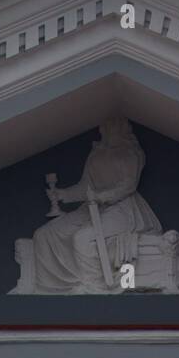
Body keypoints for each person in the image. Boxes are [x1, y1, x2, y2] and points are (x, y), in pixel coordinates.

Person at [27, 119, 161, 293]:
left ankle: (95, 286)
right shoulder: (96, 154)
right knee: (44, 234)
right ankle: (49, 289)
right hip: (91, 207)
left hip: (122, 209)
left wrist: (101, 196)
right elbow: (85, 187)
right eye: (106, 127)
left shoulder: (130, 153)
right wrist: (63, 194)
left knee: (83, 239)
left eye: (114, 126)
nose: (108, 130)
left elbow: (129, 185)